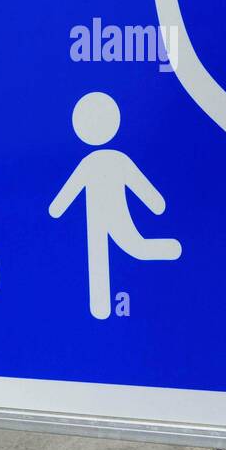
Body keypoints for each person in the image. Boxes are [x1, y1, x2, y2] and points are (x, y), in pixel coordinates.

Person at [49, 91, 181, 319]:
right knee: (109, 252)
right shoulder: (106, 161)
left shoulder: (100, 162)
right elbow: (63, 199)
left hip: (111, 217)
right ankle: (100, 306)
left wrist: (155, 203)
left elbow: (59, 204)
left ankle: (167, 250)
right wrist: (156, 205)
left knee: (124, 248)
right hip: (99, 219)